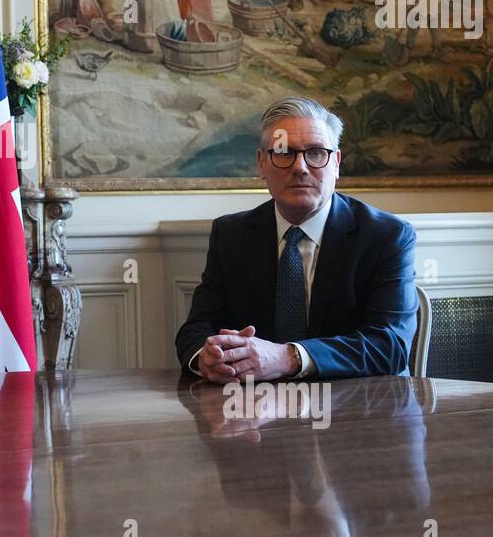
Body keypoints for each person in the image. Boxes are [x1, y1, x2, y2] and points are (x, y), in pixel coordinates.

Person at [176, 96, 418, 381]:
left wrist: (289, 357)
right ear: (262, 164)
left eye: (316, 153)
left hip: (356, 410)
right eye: (283, 152)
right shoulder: (231, 235)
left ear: (336, 164)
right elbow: (196, 330)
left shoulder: (385, 236)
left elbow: (389, 346)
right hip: (255, 412)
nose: (300, 167)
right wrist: (208, 357)